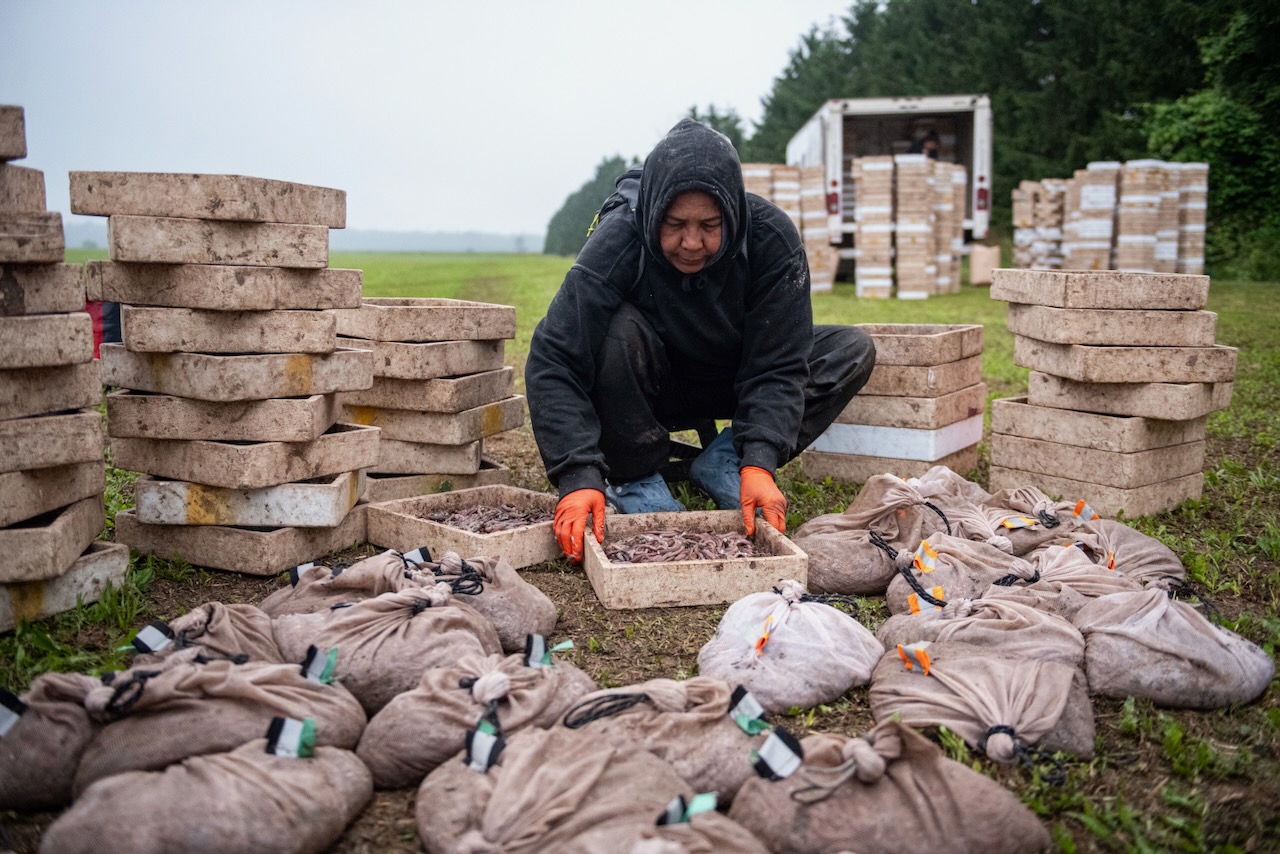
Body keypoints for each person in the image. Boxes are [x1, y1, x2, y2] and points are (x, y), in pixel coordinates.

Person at [525, 118, 876, 562]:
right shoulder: (620, 237)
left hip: (732, 377)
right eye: (674, 224)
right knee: (613, 329)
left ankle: (730, 459)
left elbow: (779, 363)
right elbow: (554, 356)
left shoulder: (771, 237)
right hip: (648, 388)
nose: (692, 242)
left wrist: (761, 459)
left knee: (850, 348)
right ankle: (633, 475)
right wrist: (576, 474)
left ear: (732, 213)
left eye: (710, 225)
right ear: (652, 213)